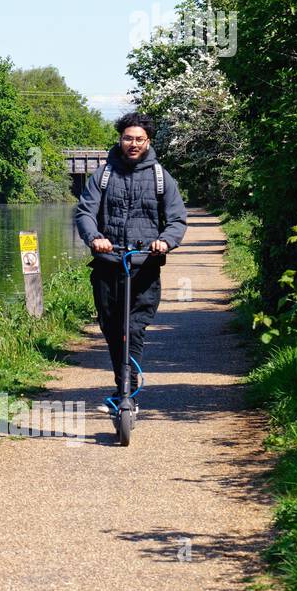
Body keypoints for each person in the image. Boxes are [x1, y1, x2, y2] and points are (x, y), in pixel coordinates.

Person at [73, 112, 188, 404]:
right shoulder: (103, 175)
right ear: (120, 139)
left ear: (148, 141)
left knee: (133, 328)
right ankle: (121, 384)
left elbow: (177, 220)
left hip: (144, 266)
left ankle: (128, 389)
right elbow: (85, 213)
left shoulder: (161, 177)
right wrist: (94, 238)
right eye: (128, 138)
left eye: (139, 139)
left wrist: (165, 241)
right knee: (112, 328)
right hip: (108, 264)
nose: (133, 144)